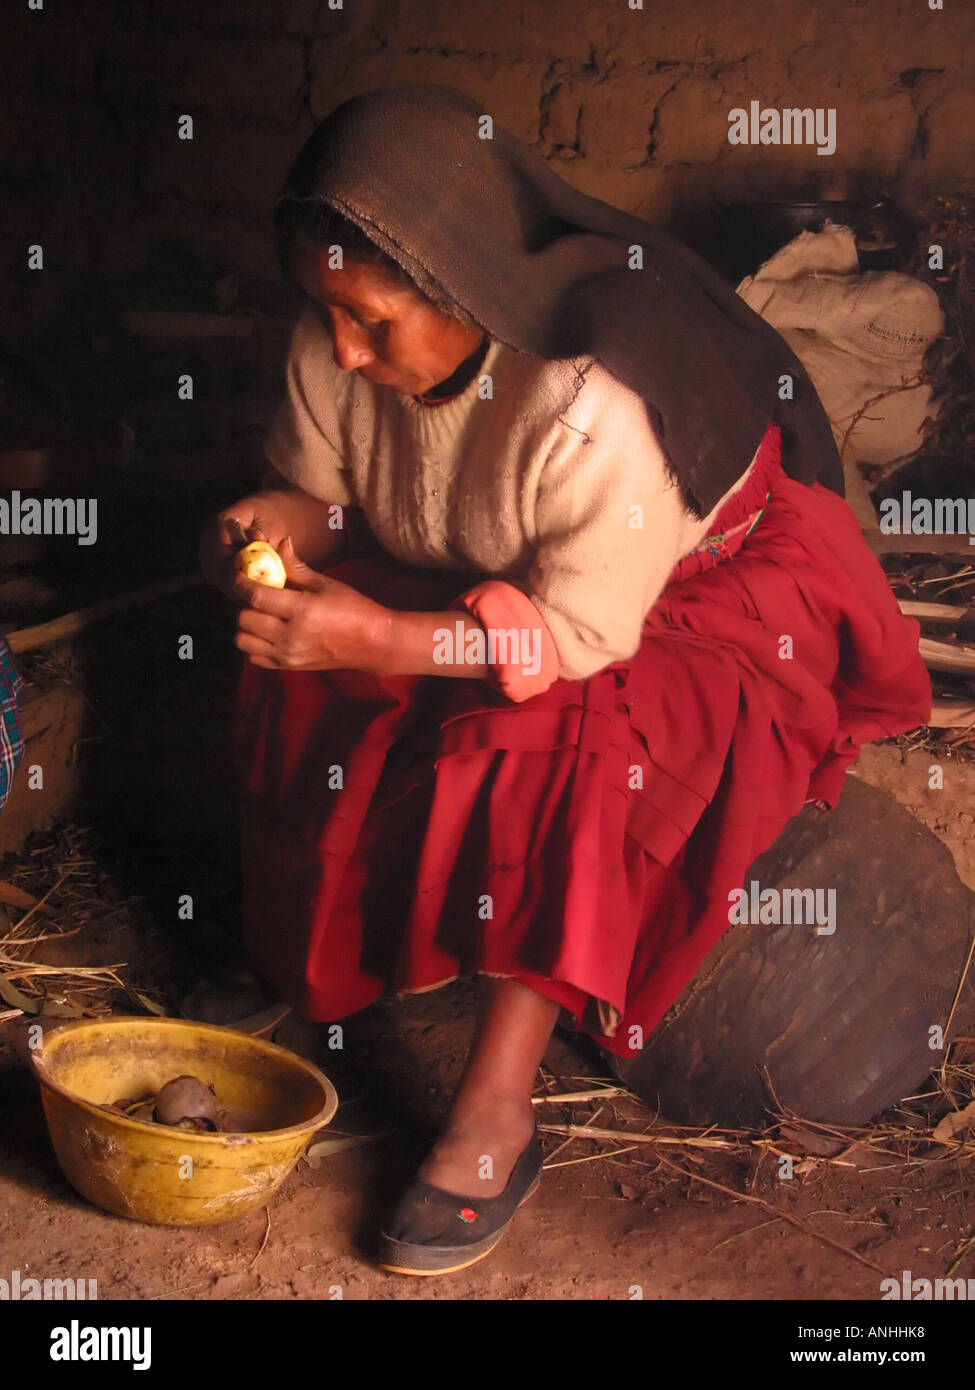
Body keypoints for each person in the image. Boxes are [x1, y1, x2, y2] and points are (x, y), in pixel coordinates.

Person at [198, 86, 931, 1276]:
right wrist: (249, 532)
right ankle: (301, 954)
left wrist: (383, 638)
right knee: (292, 663)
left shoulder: (593, 400)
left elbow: (579, 635)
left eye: (373, 322)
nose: (342, 348)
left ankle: (497, 1104)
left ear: (464, 289)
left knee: (570, 734)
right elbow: (324, 501)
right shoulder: (339, 335)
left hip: (674, 591)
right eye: (326, 311)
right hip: (491, 565)